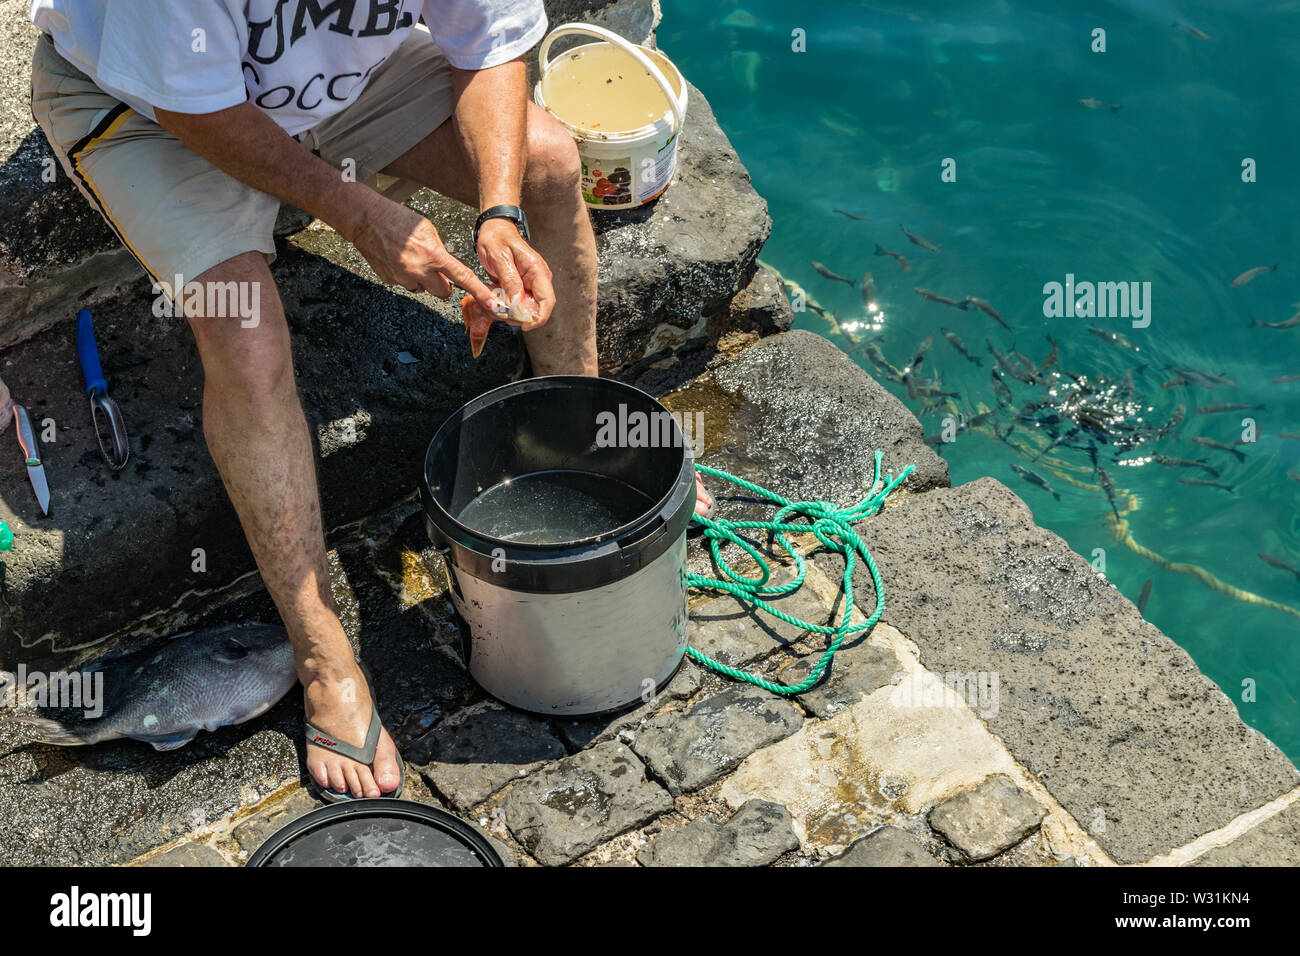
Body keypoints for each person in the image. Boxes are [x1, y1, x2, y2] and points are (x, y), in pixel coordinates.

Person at [28, 0, 712, 802]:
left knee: (551, 164)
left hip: (343, 85)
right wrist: (357, 213)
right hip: (151, 110)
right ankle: (322, 658)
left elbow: (488, 41)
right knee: (244, 329)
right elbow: (195, 108)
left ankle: (598, 449)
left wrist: (497, 211)